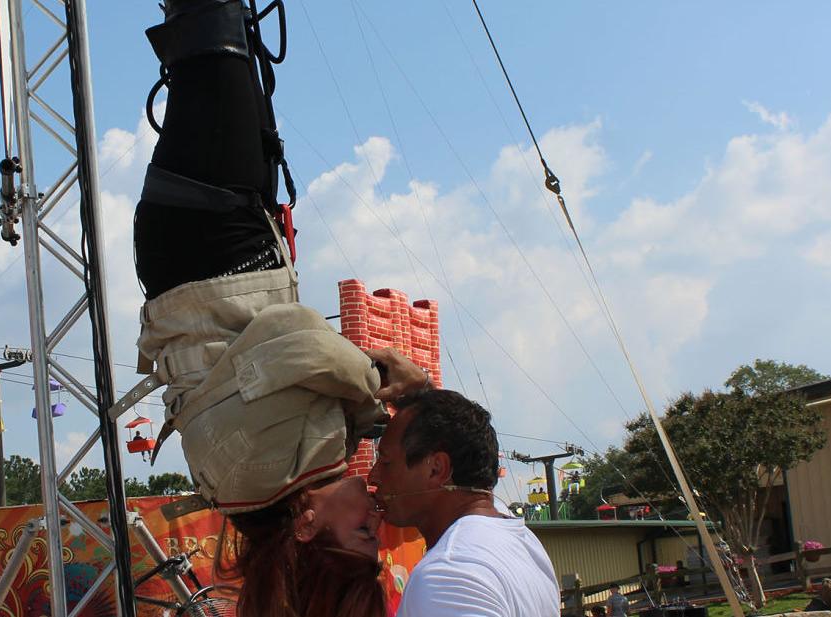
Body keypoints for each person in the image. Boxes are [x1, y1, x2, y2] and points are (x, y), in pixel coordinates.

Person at [133, 2, 397, 616]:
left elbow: (295, 338)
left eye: (363, 532)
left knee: (213, 30)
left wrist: (375, 384)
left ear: (305, 527)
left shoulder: (267, 471)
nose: (375, 518)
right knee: (218, 39)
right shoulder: (260, 491)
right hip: (212, 252)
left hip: (210, 247)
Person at [368, 389, 560, 616]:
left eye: (386, 462)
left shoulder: (449, 573)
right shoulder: (521, 539)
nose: (373, 477)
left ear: (436, 468)